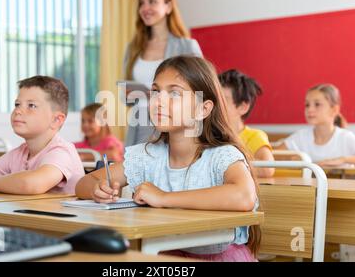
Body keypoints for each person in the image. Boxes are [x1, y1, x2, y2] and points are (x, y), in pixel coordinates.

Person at [76, 56, 260, 262]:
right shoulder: (147, 155)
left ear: (203, 109)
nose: (159, 101)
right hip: (162, 256)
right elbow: (84, 183)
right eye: (156, 91)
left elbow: (244, 196)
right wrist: (97, 189)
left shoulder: (221, 155)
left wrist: (163, 198)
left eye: (174, 93)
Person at [123, 0, 203, 147]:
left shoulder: (186, 46)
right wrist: (131, 93)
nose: (145, 8)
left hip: (174, 123)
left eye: (152, 1)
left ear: (168, 6)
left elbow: (200, 91)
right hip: (141, 122)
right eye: (142, 3)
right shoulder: (133, 49)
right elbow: (126, 97)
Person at [274, 84, 355, 167]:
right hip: (309, 190)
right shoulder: (301, 137)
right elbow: (271, 156)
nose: (310, 109)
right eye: (307, 105)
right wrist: (290, 158)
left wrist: (343, 159)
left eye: (317, 104)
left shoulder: (345, 137)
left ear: (334, 110)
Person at [218, 70, 274, 177]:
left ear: (243, 107)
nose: (214, 105)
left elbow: (267, 169)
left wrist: (227, 170)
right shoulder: (209, 136)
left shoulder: (254, 136)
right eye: (214, 99)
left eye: (223, 100)